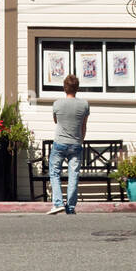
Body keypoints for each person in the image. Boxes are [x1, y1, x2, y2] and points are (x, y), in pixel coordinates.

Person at [49, 74, 90, 215]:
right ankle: (70, 207)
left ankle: (58, 203)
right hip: (76, 144)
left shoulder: (57, 104)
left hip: (59, 143)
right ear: (77, 88)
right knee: (74, 175)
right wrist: (81, 140)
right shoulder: (84, 104)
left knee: (54, 173)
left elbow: (56, 121)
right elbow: (84, 126)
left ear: (64, 88)